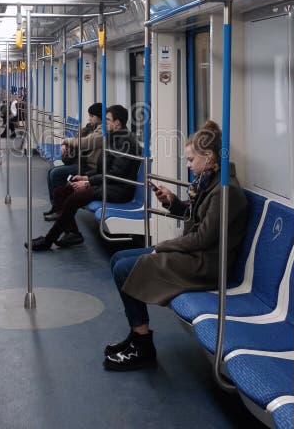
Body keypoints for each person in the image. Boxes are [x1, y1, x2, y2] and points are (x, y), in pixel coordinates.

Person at [103, 121, 248, 371]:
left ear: (209, 157)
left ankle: (143, 344)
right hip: (196, 254)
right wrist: (172, 202)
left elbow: (203, 237)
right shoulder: (210, 183)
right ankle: (136, 335)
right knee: (118, 258)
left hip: (207, 263)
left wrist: (165, 246)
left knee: (124, 269)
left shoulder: (225, 192)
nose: (188, 165)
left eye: (191, 160)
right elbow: (195, 215)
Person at [28, 104, 141, 251]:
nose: (104, 123)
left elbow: (115, 174)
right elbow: (104, 170)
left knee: (72, 198)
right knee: (61, 192)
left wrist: (88, 182)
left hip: (119, 188)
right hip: (107, 183)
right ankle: (72, 233)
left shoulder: (126, 143)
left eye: (107, 120)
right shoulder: (113, 138)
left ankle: (49, 240)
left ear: (117, 123)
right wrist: (84, 177)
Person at [43, 102, 104, 217]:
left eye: (92, 116)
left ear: (99, 117)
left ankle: (60, 209)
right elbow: (77, 138)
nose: (89, 118)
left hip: (91, 167)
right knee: (51, 172)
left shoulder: (102, 131)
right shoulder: (90, 127)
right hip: (83, 162)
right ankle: (56, 206)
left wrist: (66, 141)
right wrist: (65, 145)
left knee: (56, 174)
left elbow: (85, 143)